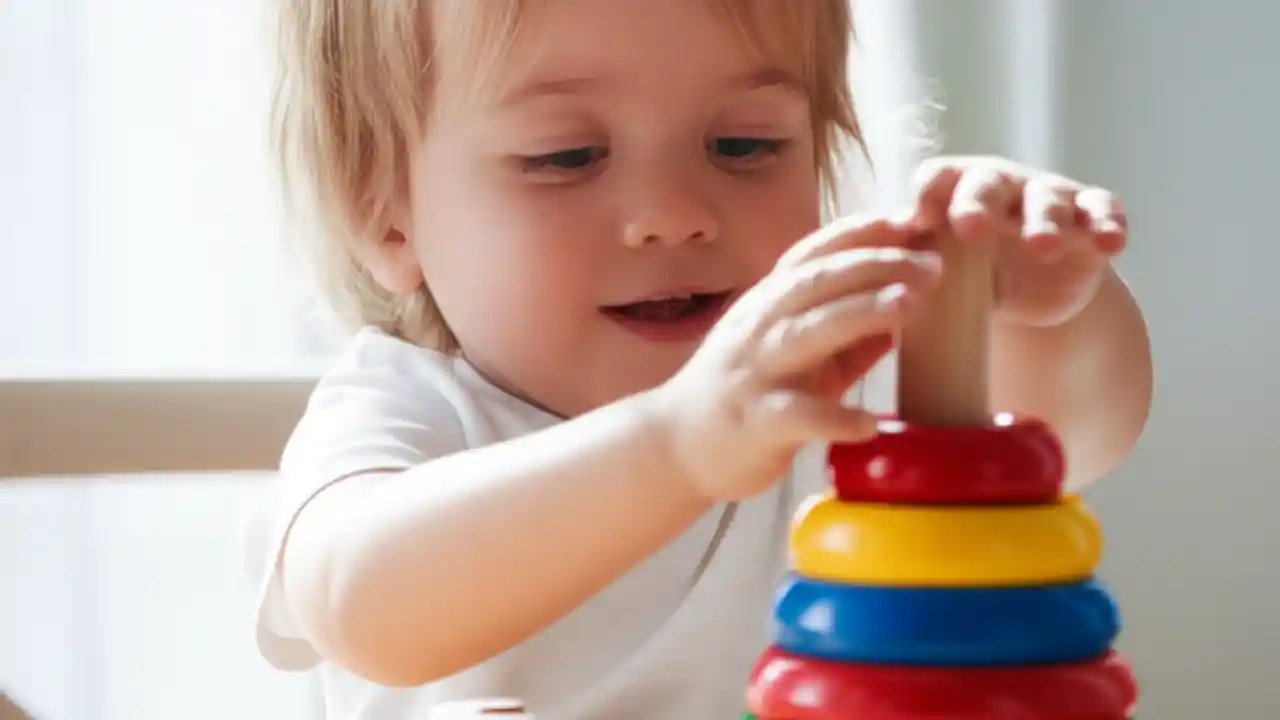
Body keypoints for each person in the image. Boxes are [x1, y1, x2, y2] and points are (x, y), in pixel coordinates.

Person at [242, 1, 1153, 717]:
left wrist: (1039, 306)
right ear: (384, 211)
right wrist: (675, 446)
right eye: (567, 156)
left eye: (745, 145)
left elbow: (1074, 433)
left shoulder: (819, 380)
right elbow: (363, 603)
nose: (675, 211)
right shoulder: (404, 411)